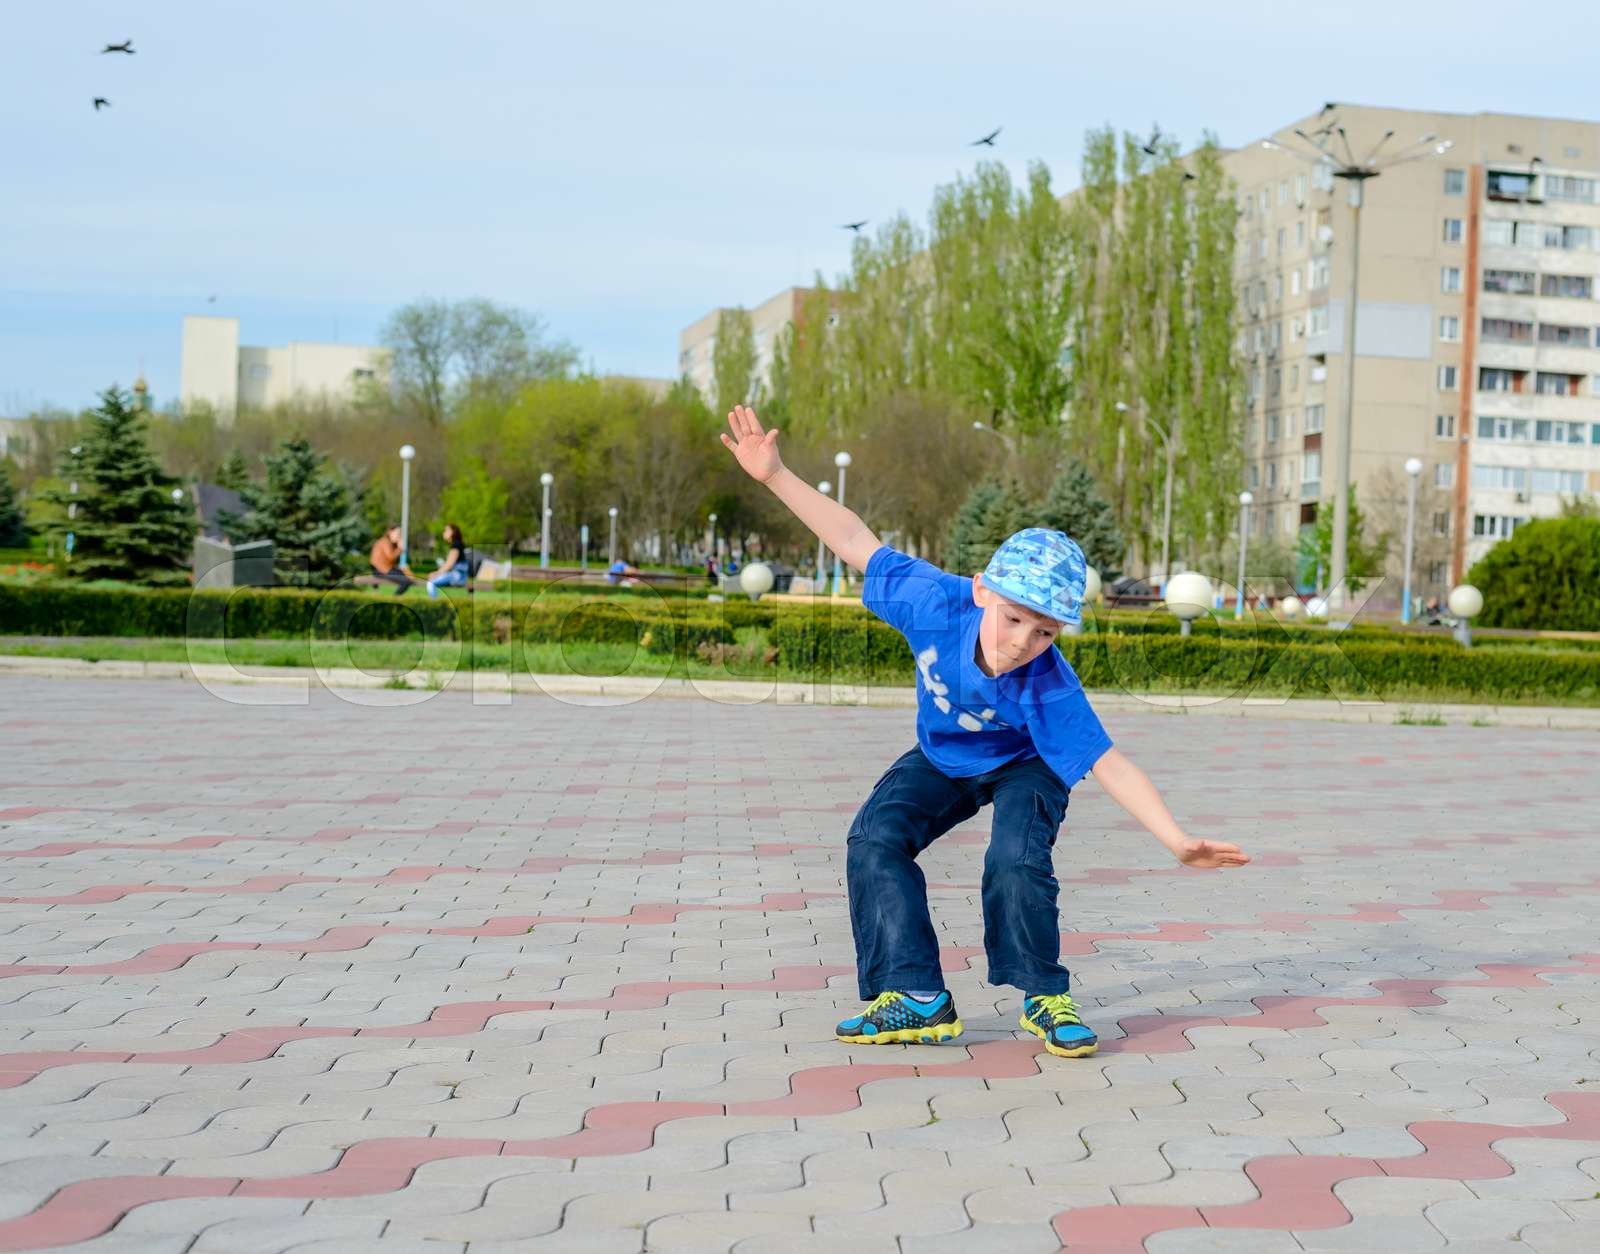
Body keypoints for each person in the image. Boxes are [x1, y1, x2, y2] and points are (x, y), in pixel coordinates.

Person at [718, 405, 1250, 1059]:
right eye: (1015, 620)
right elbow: (854, 540)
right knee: (873, 840)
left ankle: (1045, 996)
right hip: (945, 756)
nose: (1026, 642)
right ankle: (916, 997)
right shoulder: (933, 600)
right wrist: (775, 476)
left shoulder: (1047, 683)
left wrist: (1177, 840)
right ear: (980, 593)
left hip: (1028, 764)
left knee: (1014, 860)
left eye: (1045, 631)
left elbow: (1107, 763)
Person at [425, 523, 470, 599]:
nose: (444, 533)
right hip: (459, 576)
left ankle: (435, 604)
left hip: (458, 576)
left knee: (431, 583)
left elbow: (449, 564)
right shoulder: (457, 544)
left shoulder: (456, 545)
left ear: (452, 532)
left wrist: (436, 573)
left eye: (446, 530)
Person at [368, 525, 413, 595]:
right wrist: (400, 548)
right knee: (406, 581)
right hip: (381, 570)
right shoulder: (385, 542)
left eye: (400, 534)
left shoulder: (387, 542)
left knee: (408, 577)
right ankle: (393, 599)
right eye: (397, 533)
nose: (399, 536)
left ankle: (392, 598)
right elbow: (391, 557)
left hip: (383, 569)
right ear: (390, 532)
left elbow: (391, 561)